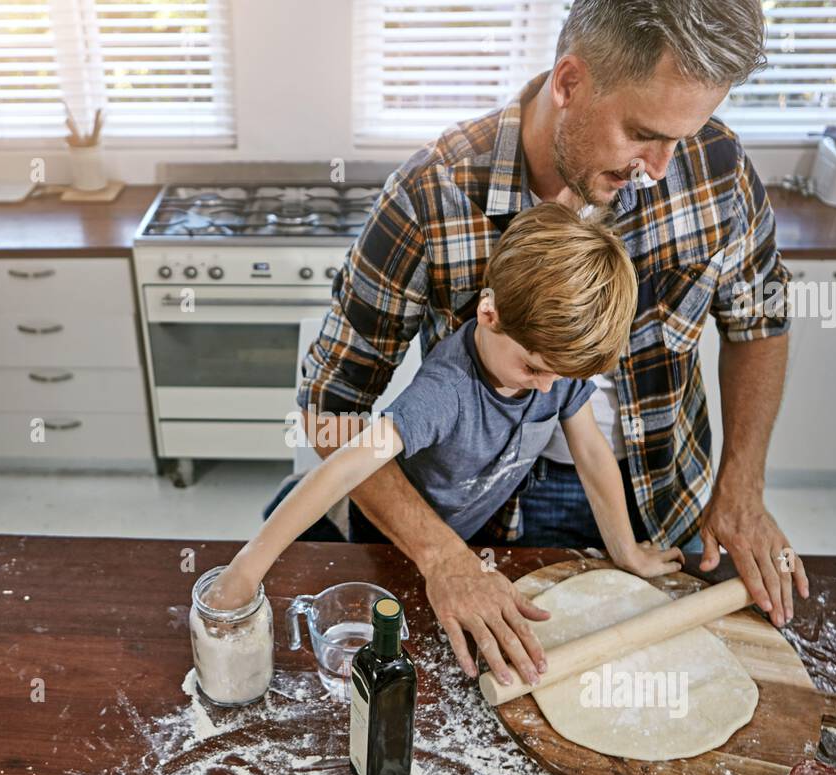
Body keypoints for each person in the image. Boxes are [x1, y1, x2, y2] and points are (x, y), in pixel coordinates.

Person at [297, 0, 809, 689]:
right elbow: (331, 410)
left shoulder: (715, 168)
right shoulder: (432, 194)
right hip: (483, 515)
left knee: (680, 692)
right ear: (569, 82)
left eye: (681, 138)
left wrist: (742, 483)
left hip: (661, 497)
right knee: (496, 701)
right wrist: (441, 558)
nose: (661, 167)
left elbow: (761, 321)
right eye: (643, 134)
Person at [212, 202, 683, 682]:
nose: (547, 387)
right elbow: (345, 467)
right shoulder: (446, 392)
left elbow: (591, 453)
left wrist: (626, 549)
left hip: (460, 543)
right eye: (534, 368)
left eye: (558, 375)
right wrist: (247, 570)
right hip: (377, 544)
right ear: (489, 314)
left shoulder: (550, 360)